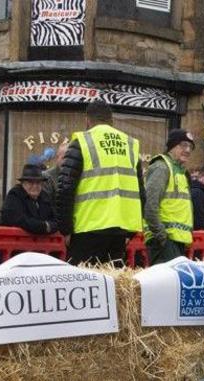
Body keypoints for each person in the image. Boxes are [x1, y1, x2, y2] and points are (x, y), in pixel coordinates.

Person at [55, 100, 144, 265]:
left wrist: (65, 229)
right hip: (119, 232)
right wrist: (129, 234)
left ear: (87, 120)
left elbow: (65, 188)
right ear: (112, 120)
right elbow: (140, 193)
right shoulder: (130, 145)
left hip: (87, 230)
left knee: (84, 285)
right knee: (111, 285)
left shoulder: (82, 142)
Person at [143, 129, 195, 264]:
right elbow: (149, 204)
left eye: (190, 147)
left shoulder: (181, 171)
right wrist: (161, 236)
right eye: (183, 145)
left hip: (176, 241)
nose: (188, 150)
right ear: (172, 146)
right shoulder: (162, 167)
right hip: (164, 241)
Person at [0, 163, 57, 235]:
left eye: (38, 183)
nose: (35, 186)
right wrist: (46, 226)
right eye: (31, 183)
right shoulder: (14, 196)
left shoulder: (44, 197)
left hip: (39, 244)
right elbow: (22, 221)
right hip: (12, 242)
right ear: (23, 183)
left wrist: (47, 226)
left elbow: (56, 220)